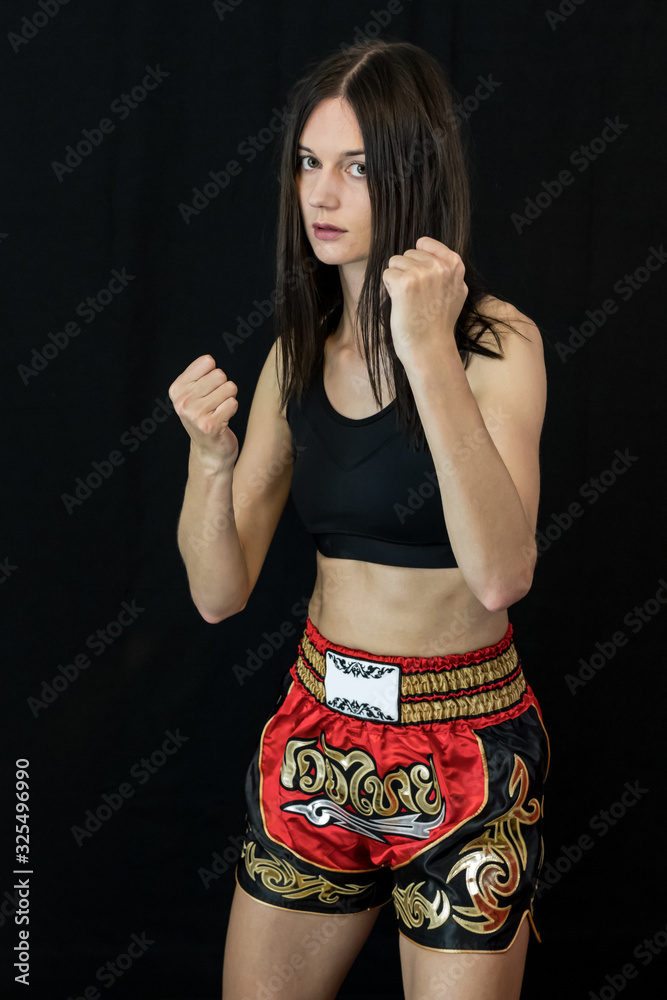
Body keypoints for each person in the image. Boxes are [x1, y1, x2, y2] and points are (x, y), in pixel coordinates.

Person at [169, 39, 549, 1000]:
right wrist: (208, 465)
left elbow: (501, 573)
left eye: (356, 168)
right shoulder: (294, 356)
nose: (321, 195)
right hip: (320, 736)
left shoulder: (496, 345)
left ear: (412, 177)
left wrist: (423, 345)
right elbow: (218, 594)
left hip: (464, 753)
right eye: (308, 163)